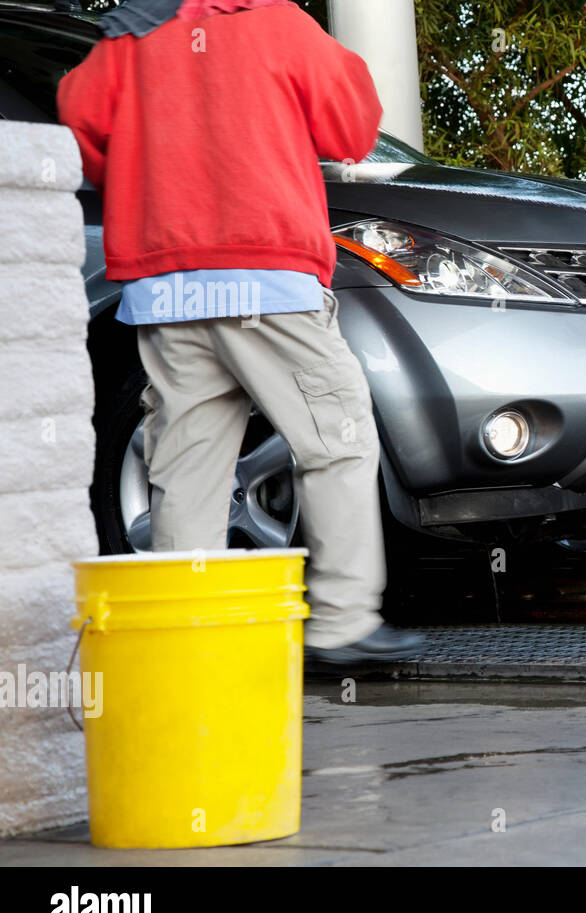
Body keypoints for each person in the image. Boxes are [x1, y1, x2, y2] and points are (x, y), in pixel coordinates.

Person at [58, 0, 422, 663]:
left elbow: (78, 125)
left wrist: (148, 173)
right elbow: (351, 128)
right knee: (336, 437)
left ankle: (186, 642)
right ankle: (341, 623)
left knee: (187, 465)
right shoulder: (277, 23)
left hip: (167, 287)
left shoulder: (130, 35)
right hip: (266, 280)